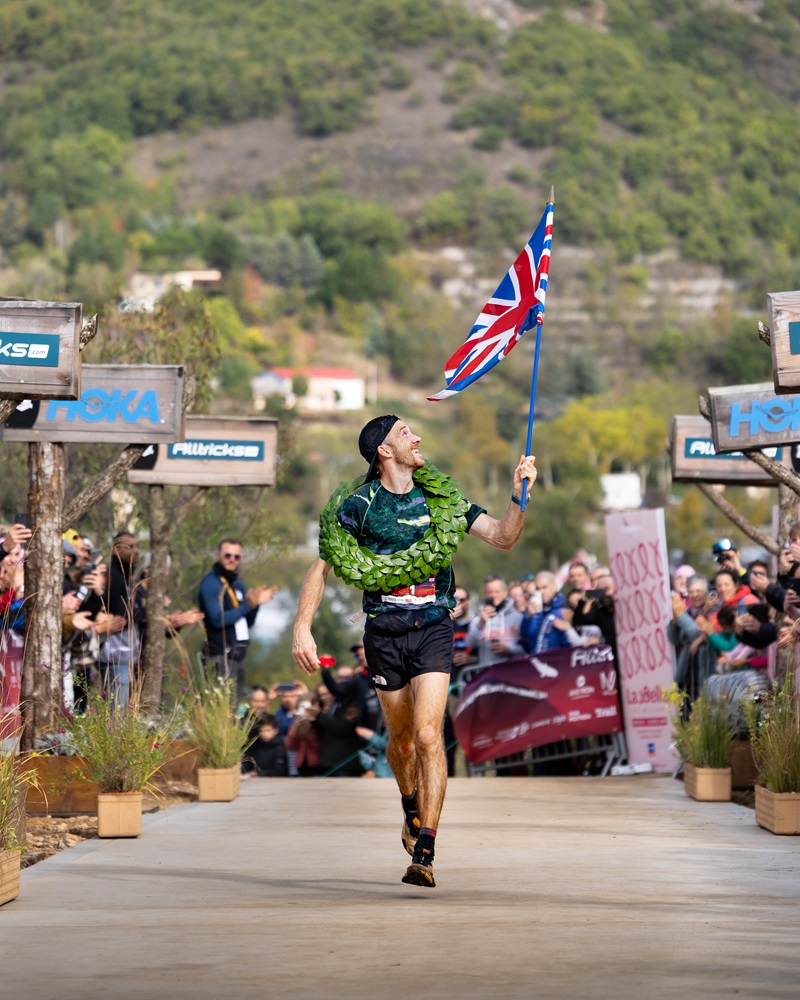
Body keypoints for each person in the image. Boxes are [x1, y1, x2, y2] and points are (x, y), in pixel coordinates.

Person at [292, 414, 537, 887]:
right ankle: (409, 803)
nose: (417, 437)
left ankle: (425, 846)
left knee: (429, 736)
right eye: (405, 433)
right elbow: (321, 568)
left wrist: (519, 493)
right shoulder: (359, 505)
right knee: (402, 743)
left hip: (433, 627)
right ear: (384, 451)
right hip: (383, 632)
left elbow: (503, 536)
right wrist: (302, 628)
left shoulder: (442, 498)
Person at [197, 539, 278, 702]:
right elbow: (216, 620)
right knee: (224, 707)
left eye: (237, 557)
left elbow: (246, 622)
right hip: (221, 655)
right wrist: (247, 606)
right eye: (228, 555)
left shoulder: (237, 584)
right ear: (218, 555)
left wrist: (255, 606)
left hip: (239, 655)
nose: (232, 559)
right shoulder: (211, 584)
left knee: (236, 708)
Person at [466, 576, 525, 667]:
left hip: (511, 672)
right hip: (486, 673)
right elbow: (470, 644)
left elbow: (525, 650)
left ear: (505, 592)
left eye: (497, 591)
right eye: (490, 592)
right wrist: (481, 623)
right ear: (485, 593)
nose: (493, 595)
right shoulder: (478, 617)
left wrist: (508, 650)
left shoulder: (518, 617)